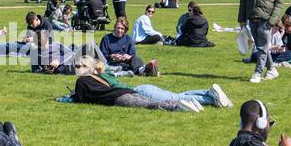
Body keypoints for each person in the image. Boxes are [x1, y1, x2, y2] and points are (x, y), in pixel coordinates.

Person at [70, 56, 201, 112]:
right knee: (149, 102)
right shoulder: (98, 76)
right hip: (126, 92)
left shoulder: (81, 81)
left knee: (150, 105)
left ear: (87, 67)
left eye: (79, 66)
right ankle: (190, 103)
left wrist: (72, 96)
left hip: (118, 98)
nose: (76, 68)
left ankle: (179, 107)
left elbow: (80, 100)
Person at [239, 0, 282, 82]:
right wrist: (242, 19)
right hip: (252, 17)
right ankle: (271, 69)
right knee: (261, 47)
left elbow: (279, 3)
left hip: (266, 19)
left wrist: (271, 21)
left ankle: (257, 73)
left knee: (262, 47)